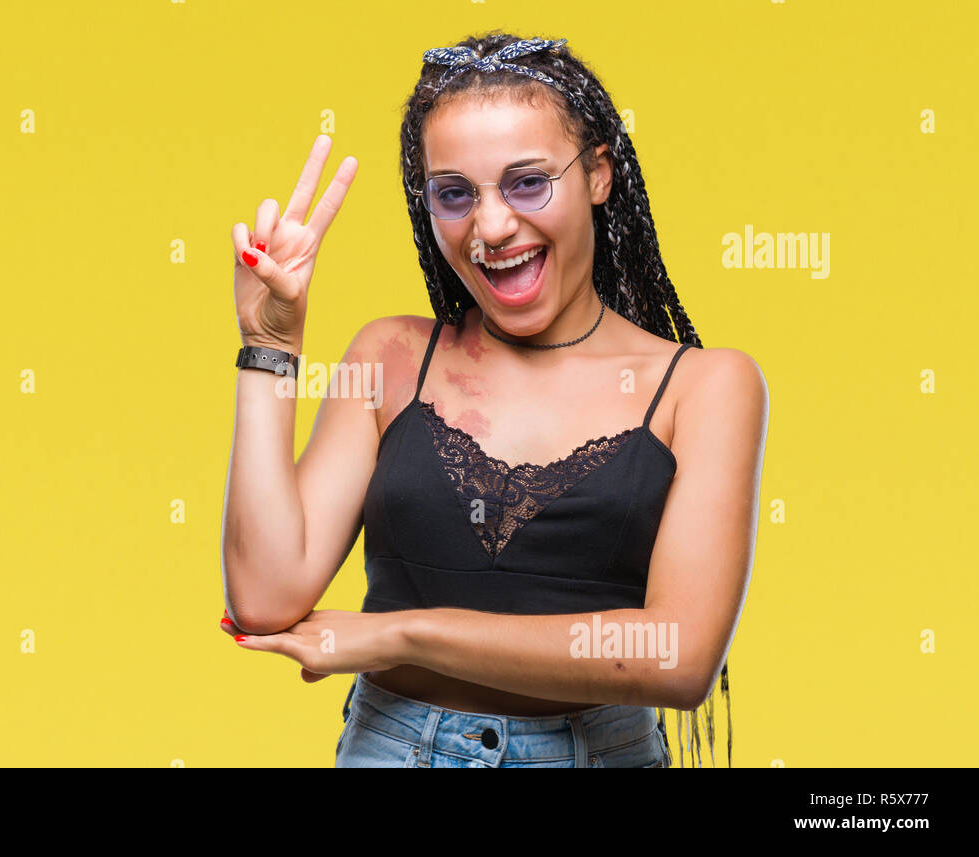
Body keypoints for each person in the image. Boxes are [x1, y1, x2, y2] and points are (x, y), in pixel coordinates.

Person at [219, 32, 768, 768]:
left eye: (527, 182)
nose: (492, 226)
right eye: (455, 193)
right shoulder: (390, 359)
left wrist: (403, 633)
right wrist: (270, 345)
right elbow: (264, 595)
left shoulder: (706, 387)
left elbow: (676, 657)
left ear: (599, 174)